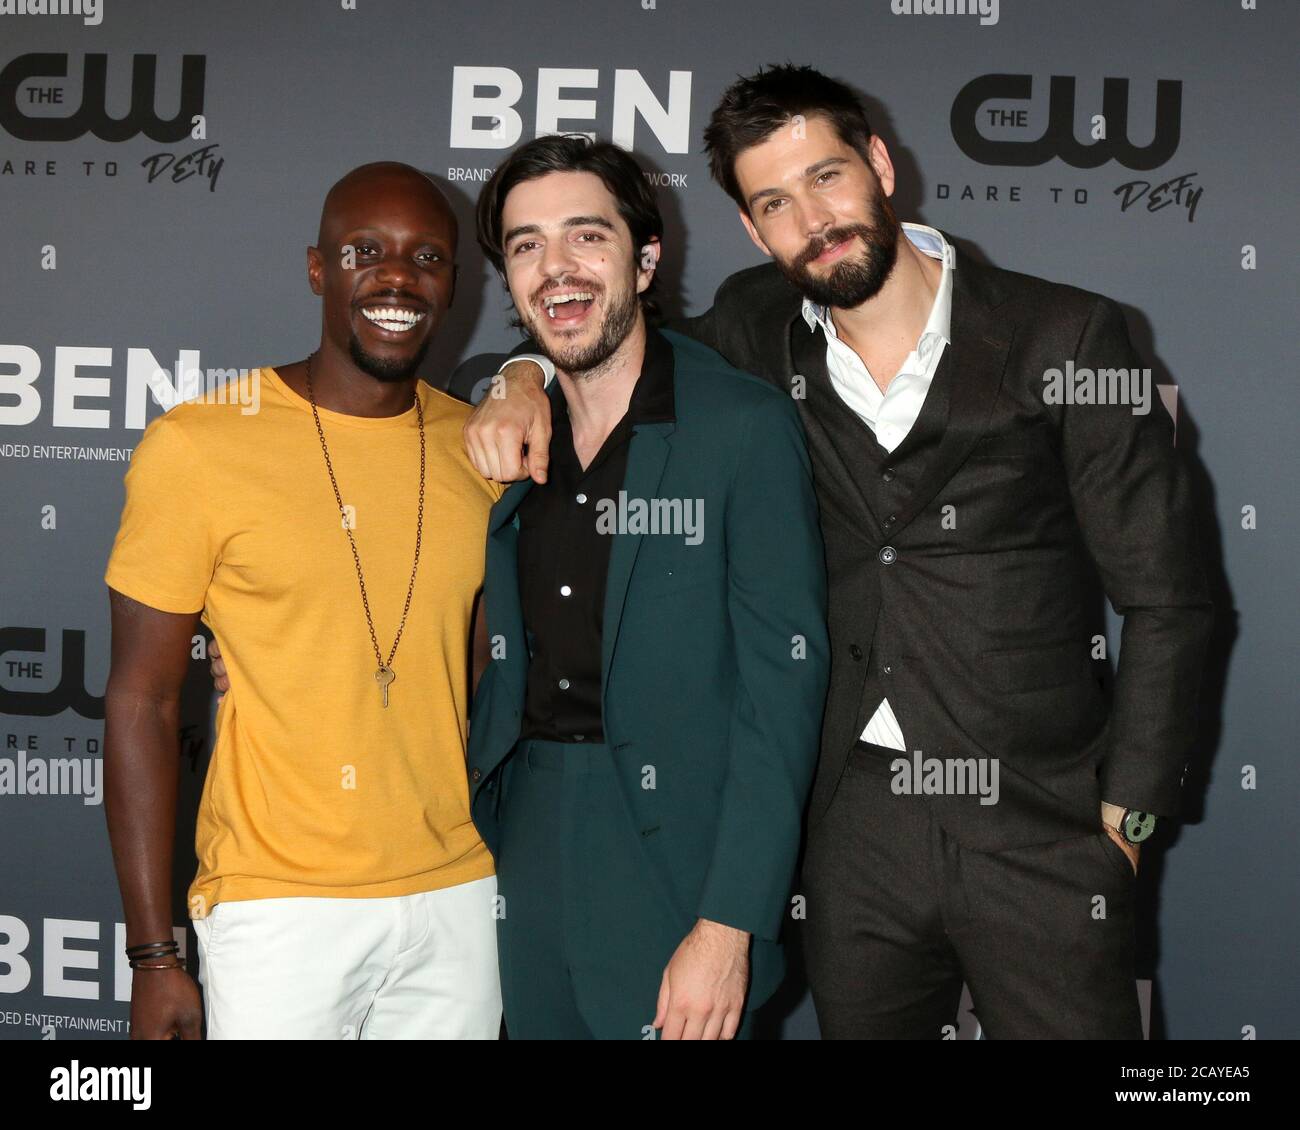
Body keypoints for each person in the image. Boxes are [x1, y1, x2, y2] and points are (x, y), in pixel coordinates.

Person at [461, 65, 1213, 1039]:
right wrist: (516, 371)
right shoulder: (749, 331)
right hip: (846, 831)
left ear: (880, 164)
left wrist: (1129, 820)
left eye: (826, 177)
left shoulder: (1062, 333)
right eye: (773, 201)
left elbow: (1169, 601)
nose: (812, 219)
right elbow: (606, 339)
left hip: (1043, 820)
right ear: (748, 227)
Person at [103, 162, 504, 1039]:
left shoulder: (482, 451)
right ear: (319, 268)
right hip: (276, 909)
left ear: (452, 285)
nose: (397, 277)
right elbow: (142, 700)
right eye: (367, 251)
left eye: (426, 257)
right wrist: (153, 957)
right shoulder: (200, 447)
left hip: (457, 899)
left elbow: (480, 671)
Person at [466, 134, 829, 1039]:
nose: (556, 270)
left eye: (587, 237)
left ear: (646, 256)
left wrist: (729, 925)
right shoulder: (504, 425)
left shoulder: (740, 426)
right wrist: (512, 376)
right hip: (526, 834)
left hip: (677, 857)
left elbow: (781, 695)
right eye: (524, 246)